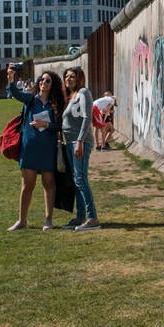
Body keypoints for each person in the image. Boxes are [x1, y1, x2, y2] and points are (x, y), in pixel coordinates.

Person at [7, 72, 65, 231]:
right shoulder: (31, 100)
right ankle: (22, 221)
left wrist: (46, 126)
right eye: (42, 80)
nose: (43, 82)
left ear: (52, 84)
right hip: (30, 149)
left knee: (49, 184)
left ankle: (48, 220)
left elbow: (61, 126)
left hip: (47, 149)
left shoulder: (56, 104)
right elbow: (16, 93)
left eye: (48, 80)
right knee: (27, 185)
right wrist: (11, 79)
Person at [61, 66, 101, 230]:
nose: (69, 79)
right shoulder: (70, 96)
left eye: (72, 76)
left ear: (79, 78)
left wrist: (80, 141)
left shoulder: (84, 93)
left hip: (80, 142)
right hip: (69, 142)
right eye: (66, 76)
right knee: (76, 181)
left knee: (80, 179)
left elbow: (86, 118)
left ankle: (92, 218)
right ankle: (80, 217)